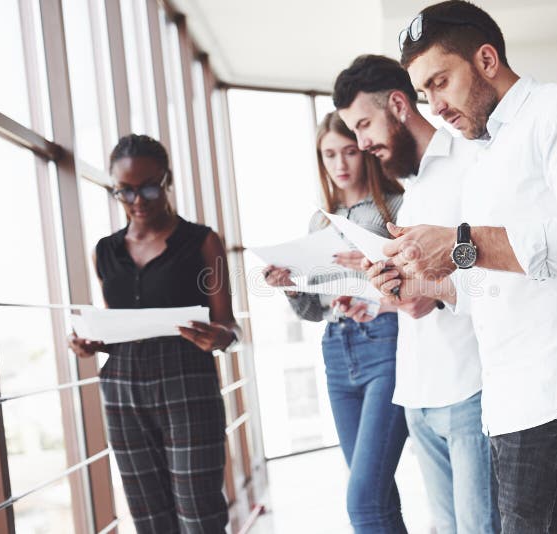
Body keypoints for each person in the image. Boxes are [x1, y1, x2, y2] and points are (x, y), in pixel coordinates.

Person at [367, 2, 557, 533]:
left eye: (440, 82)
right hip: (509, 401)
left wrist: (462, 243)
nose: (434, 106)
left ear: (486, 59)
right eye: (424, 92)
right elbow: (483, 279)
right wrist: (416, 281)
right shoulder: (483, 157)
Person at [332, 54, 499, 533]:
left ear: (399, 105)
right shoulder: (409, 186)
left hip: (471, 388)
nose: (362, 144)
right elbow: (418, 286)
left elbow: (501, 274)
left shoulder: (473, 165)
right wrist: (381, 291)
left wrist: (430, 290)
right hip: (418, 389)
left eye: (364, 125)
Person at [68, 134, 238, 534]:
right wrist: (90, 342)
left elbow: (228, 324)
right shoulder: (104, 251)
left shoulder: (201, 242)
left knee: (200, 515)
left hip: (188, 383)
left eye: (148, 187)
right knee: (149, 519)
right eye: (124, 191)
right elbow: (116, 324)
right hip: (122, 389)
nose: (137, 201)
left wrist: (221, 338)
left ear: (167, 181)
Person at [263, 112, 409, 533]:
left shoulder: (396, 207)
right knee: (378, 499)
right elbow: (315, 311)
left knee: (362, 499)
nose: (340, 164)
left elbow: (419, 286)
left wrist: (369, 280)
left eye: (348, 152)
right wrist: (292, 287)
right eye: (329, 155)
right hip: (336, 350)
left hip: (387, 344)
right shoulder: (320, 221)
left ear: (364, 152)